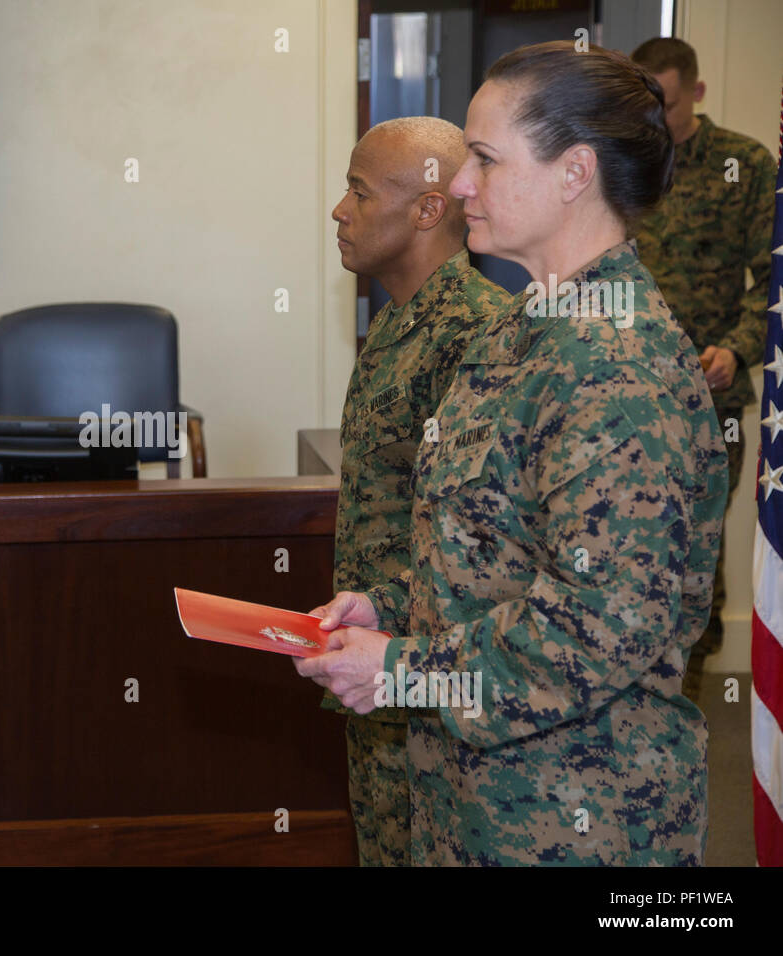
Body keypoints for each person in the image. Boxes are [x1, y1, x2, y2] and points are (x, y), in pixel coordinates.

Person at [296, 41, 727, 865]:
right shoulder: (527, 332)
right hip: (473, 800)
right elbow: (492, 550)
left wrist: (402, 672)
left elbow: (600, 625)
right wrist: (391, 603)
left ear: (574, 173)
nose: (459, 185)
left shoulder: (616, 363)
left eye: (485, 160)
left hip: (578, 817)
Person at [317, 116, 510, 866]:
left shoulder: (476, 336)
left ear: (429, 210)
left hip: (437, 683)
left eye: (359, 193)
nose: (340, 210)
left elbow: (487, 546)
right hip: (383, 664)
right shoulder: (402, 322)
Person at [630, 37, 777, 704]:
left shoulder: (743, 164)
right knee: (622, 535)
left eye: (664, 100)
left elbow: (773, 281)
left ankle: (684, 691)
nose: (654, 114)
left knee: (695, 543)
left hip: (709, 396)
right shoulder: (626, 159)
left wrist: (737, 346)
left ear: (696, 92)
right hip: (623, 391)